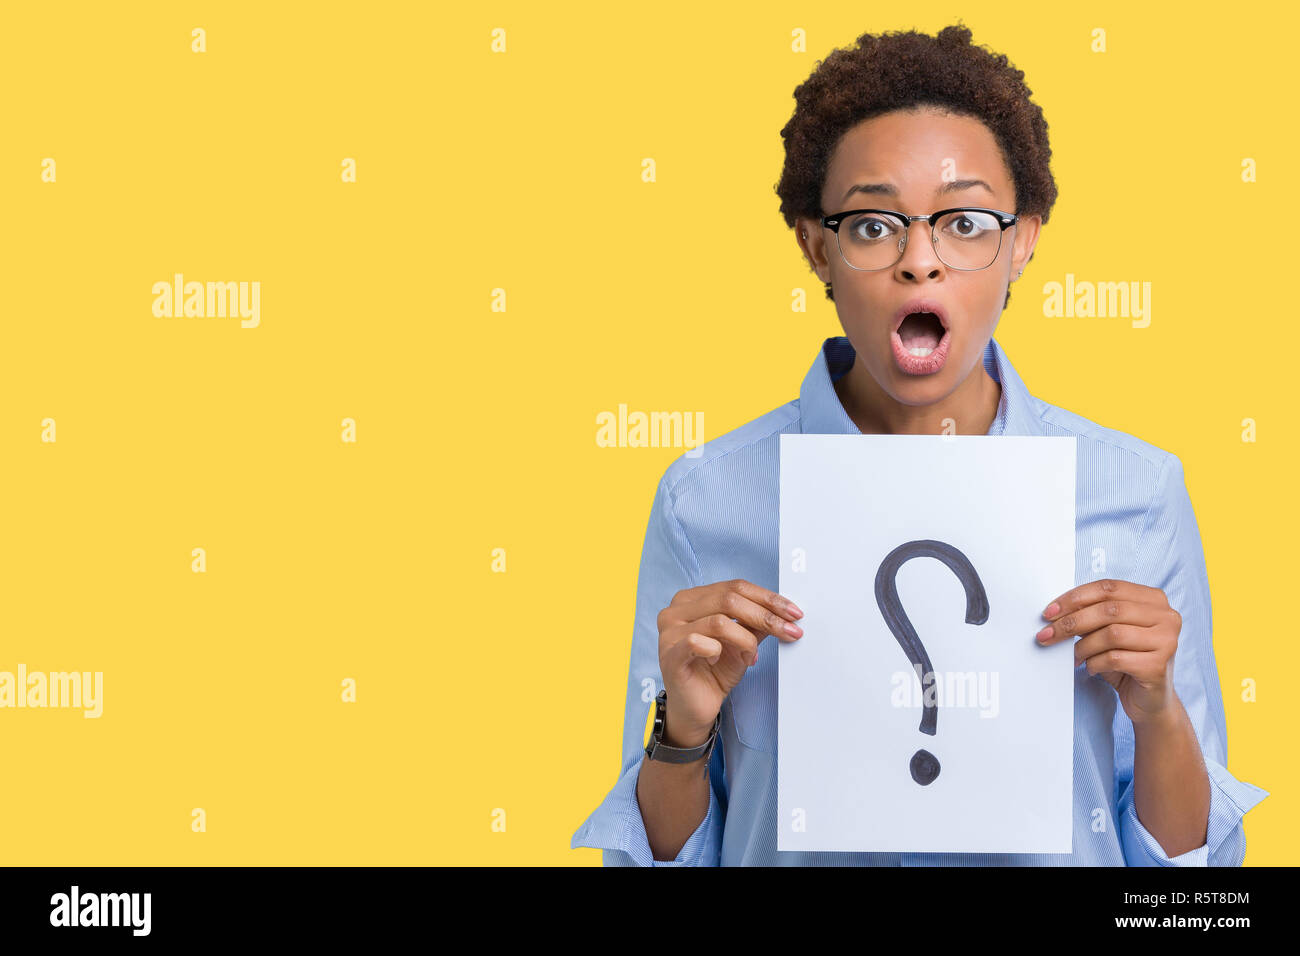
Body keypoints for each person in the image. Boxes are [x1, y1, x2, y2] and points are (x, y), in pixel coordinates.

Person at [569, 22, 1268, 866]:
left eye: (965, 222)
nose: (920, 263)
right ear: (815, 245)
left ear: (1023, 242)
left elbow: (1192, 898)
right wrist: (681, 729)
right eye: (872, 226)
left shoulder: (1135, 492)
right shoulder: (707, 499)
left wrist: (1158, 712)